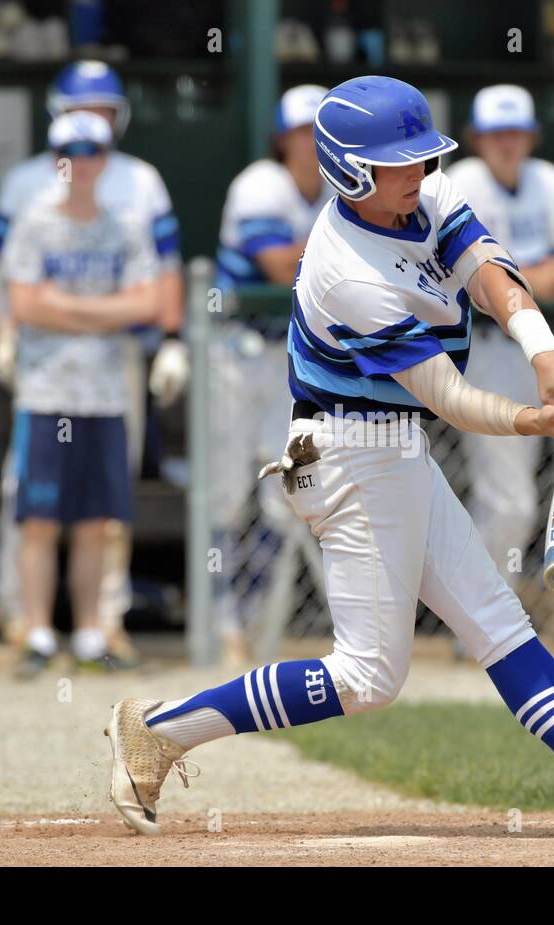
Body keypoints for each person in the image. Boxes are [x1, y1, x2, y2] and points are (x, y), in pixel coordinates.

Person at [103, 76, 554, 840]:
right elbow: (448, 398)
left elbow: (488, 271)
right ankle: (160, 728)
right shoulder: (344, 272)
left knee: (499, 625)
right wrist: (533, 417)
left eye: (423, 160)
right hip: (348, 456)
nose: (418, 176)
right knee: (365, 678)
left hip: (394, 449)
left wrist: (545, 352)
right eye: (399, 164)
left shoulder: (423, 194)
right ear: (352, 171)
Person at [0, 60, 185, 660]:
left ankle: (107, 619)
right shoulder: (26, 184)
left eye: (104, 111)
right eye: (81, 112)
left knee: (106, 501)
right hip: (44, 369)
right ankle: (19, 612)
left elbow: (162, 276)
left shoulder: (142, 180)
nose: (92, 127)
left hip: (113, 365)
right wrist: (6, 327)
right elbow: (5, 278)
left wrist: (167, 336)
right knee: (26, 496)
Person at [446, 85, 554, 596]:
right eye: (495, 134)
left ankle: (497, 610)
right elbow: (470, 277)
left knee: (532, 498)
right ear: (476, 138)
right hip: (486, 352)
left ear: (531, 136)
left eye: (515, 133)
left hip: (548, 353)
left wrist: (522, 275)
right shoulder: (461, 180)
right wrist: (534, 276)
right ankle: (488, 614)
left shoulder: (549, 181)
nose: (506, 143)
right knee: (507, 502)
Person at [210, 84, 333, 665]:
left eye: (322, 133)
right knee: (226, 497)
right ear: (282, 140)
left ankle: (253, 622)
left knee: (282, 496)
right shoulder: (258, 183)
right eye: (301, 134)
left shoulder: (342, 191)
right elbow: (279, 263)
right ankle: (217, 625)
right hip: (234, 353)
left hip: (290, 361)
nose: (312, 145)